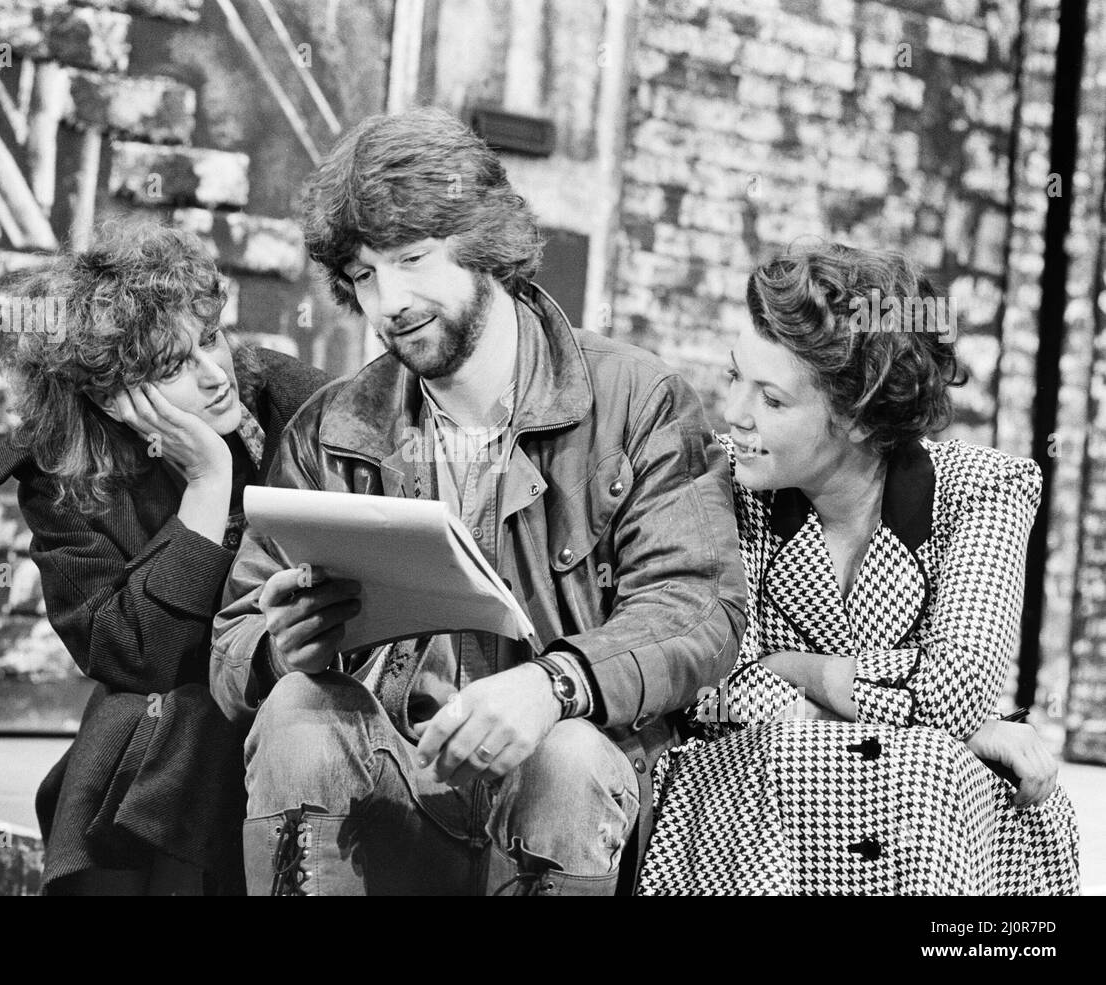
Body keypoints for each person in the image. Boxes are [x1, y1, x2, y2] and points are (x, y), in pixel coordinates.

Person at [209, 108, 748, 896]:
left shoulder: (638, 400)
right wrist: (277, 647)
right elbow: (234, 637)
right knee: (296, 710)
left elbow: (700, 608)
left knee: (569, 756)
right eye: (363, 275)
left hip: (559, 791)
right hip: (391, 786)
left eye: (413, 258)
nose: (389, 301)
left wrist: (552, 685)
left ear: (483, 239)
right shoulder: (333, 428)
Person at [638, 243, 1080, 895]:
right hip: (759, 806)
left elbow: (953, 689)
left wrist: (794, 669)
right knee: (918, 750)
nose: (735, 412)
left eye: (772, 398)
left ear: (857, 419)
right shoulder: (721, 480)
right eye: (735, 377)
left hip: (925, 818)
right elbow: (712, 688)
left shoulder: (983, 489)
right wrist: (963, 729)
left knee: (931, 769)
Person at [0, 224, 329, 894]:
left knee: (168, 729)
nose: (214, 373)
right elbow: (134, 656)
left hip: (288, 683)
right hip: (176, 722)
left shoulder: (295, 401)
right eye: (173, 366)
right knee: (155, 716)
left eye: (209, 337)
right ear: (115, 396)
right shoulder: (62, 474)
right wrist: (206, 487)